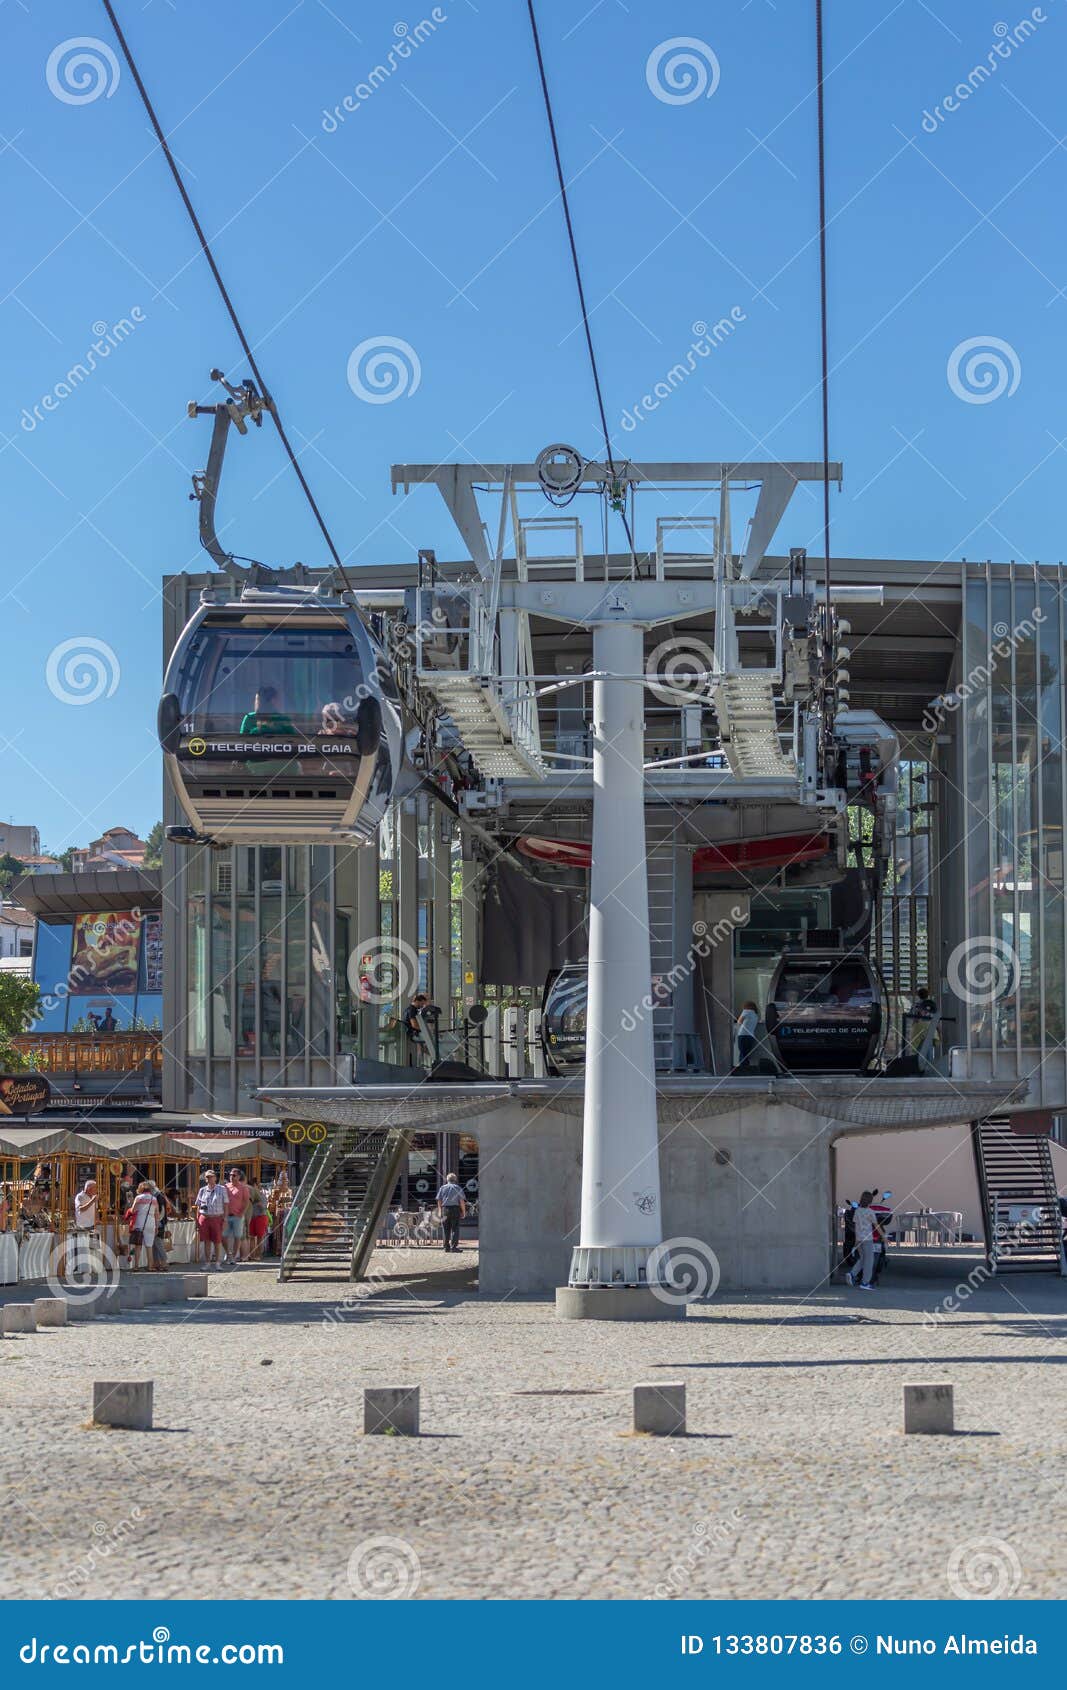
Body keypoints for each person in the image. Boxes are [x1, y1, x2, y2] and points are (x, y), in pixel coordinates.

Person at [194, 1168, 227, 1269]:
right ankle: (207, 1262)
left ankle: (217, 1263)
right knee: (206, 1241)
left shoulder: (222, 1189)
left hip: (217, 1218)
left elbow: (226, 1205)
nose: (209, 1179)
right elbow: (198, 1206)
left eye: (211, 1176)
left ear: (215, 1178)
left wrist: (225, 1219)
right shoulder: (202, 1190)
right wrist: (197, 1220)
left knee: (217, 1241)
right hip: (204, 1217)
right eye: (207, 1177)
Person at [846, 1191, 877, 1290]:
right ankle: (865, 1283)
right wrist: (884, 1238)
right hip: (868, 1239)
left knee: (863, 1258)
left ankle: (852, 1274)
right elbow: (876, 1225)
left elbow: (856, 1226)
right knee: (869, 1261)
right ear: (870, 1201)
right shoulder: (870, 1212)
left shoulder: (857, 1211)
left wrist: (856, 1241)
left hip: (859, 1238)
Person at [127, 1181, 159, 1274]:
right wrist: (156, 1226)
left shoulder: (138, 1198)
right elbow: (157, 1213)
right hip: (151, 1222)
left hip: (139, 1222)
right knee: (149, 1246)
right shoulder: (154, 1199)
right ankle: (150, 1266)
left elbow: (132, 1210)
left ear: (141, 1189)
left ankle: (136, 1266)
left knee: (138, 1246)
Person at [223, 1167, 252, 1264]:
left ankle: (233, 1257)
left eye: (234, 1175)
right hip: (226, 1215)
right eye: (230, 1175)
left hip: (237, 1216)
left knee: (237, 1237)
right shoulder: (226, 1187)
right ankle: (228, 1254)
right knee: (223, 1236)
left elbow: (246, 1202)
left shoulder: (243, 1188)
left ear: (239, 1176)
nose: (231, 1177)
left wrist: (242, 1213)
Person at [72, 1178, 98, 1279]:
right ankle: (80, 1267)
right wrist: (92, 1201)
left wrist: (97, 1219)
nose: (96, 1190)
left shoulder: (93, 1197)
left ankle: (92, 1267)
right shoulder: (80, 1196)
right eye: (95, 1188)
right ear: (89, 1188)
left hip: (92, 1225)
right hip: (82, 1226)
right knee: (82, 1248)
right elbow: (81, 1209)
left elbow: (95, 1210)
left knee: (93, 1248)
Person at [435, 1171, 466, 1254]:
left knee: (445, 1229)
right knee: (455, 1229)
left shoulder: (442, 1188)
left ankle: (446, 1247)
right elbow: (461, 1201)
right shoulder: (458, 1188)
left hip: (445, 1209)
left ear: (447, 1179)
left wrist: (440, 1211)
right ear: (455, 1179)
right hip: (455, 1209)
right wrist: (463, 1211)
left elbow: (439, 1200)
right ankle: (454, 1247)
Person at [870, 1190, 894, 1285]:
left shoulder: (863, 1213)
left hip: (868, 1239)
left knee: (864, 1259)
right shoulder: (878, 1224)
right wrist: (884, 1237)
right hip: (875, 1240)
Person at [267, 1168, 292, 1258]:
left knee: (285, 1231)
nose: (284, 1183)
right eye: (283, 1180)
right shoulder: (275, 1190)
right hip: (278, 1214)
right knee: (278, 1233)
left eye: (285, 1180)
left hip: (286, 1213)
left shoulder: (289, 1191)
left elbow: (289, 1202)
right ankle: (277, 1249)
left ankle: (285, 1248)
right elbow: (271, 1203)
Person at [149, 1182, 173, 1273]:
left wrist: (157, 1222)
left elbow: (162, 1211)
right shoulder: (157, 1195)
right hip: (158, 1222)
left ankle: (164, 1262)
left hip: (159, 1223)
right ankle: (157, 1263)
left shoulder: (158, 1196)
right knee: (154, 1244)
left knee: (158, 1243)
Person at [246, 1178, 270, 1261]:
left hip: (260, 1216)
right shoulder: (247, 1195)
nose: (251, 1188)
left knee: (260, 1237)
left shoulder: (261, 1194)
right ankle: (252, 1255)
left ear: (256, 1185)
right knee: (251, 1237)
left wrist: (257, 1203)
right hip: (251, 1217)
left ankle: (258, 1255)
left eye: (253, 1185)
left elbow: (264, 1207)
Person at [735, 1002, 759, 1066]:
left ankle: (742, 1069)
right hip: (751, 1036)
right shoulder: (755, 1014)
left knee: (742, 1053)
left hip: (743, 1035)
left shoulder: (746, 1011)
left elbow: (739, 1021)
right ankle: (746, 1068)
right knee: (746, 1054)